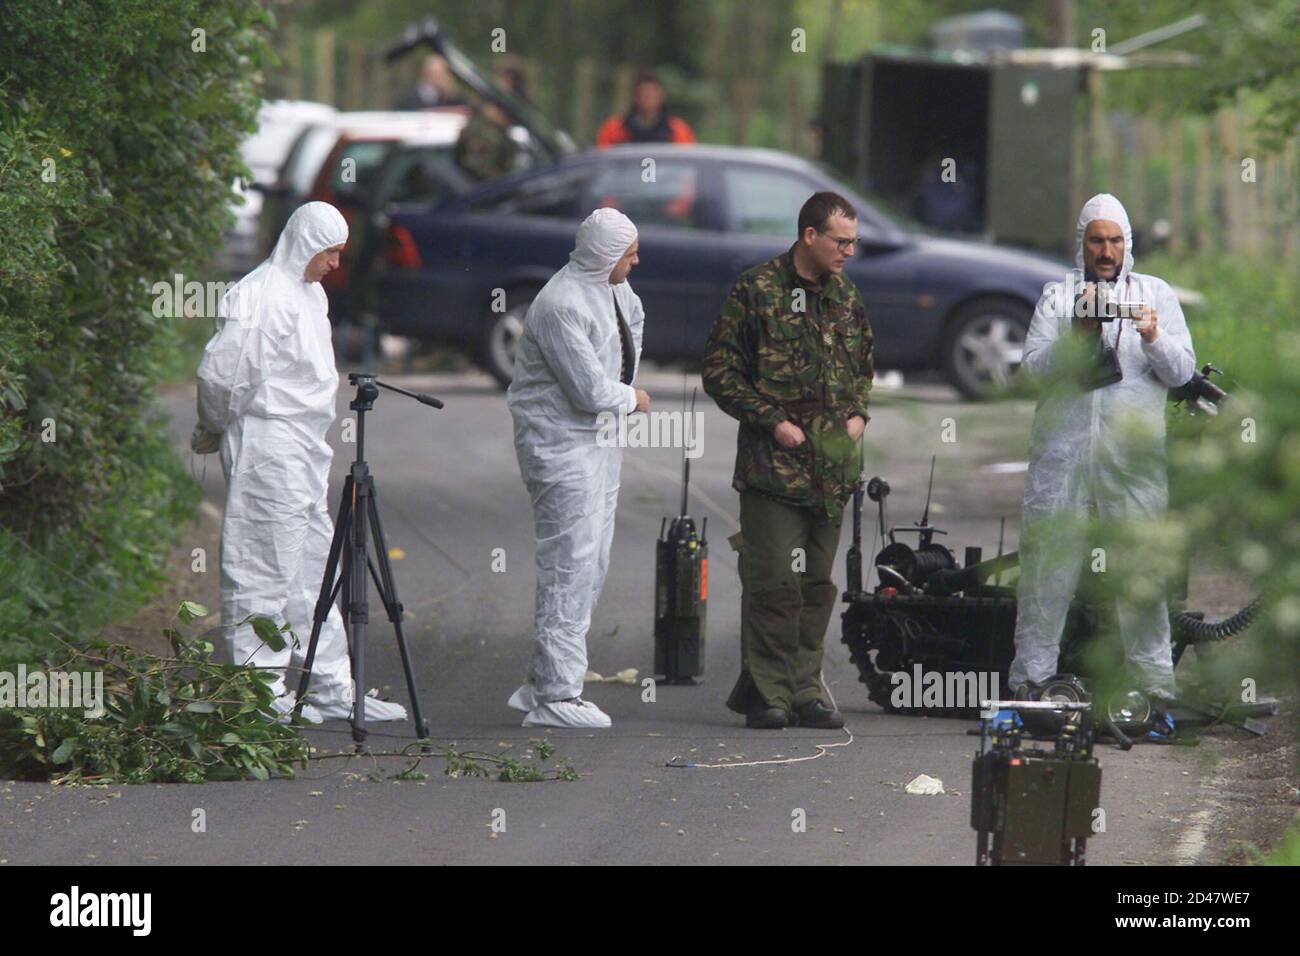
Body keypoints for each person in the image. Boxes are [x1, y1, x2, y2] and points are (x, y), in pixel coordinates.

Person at [192, 202, 408, 724]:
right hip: (269, 447)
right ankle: (258, 688)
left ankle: (331, 683)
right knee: (263, 564)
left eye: (339, 252)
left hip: (303, 449)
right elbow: (225, 376)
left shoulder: (307, 295)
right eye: (329, 252)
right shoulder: (263, 296)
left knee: (311, 566)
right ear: (304, 245)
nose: (335, 263)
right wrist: (214, 425)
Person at [1010, 193, 1195, 709]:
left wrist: (1153, 334)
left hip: (1130, 464)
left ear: (1128, 244)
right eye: (1097, 239)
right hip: (1062, 460)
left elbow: (1181, 372)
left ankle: (1155, 691)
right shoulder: (1058, 296)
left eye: (1115, 240)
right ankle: (1031, 682)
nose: (1106, 250)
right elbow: (1032, 371)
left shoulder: (1156, 295)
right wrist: (1079, 332)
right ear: (1082, 244)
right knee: (1047, 568)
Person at [703, 192, 874, 730]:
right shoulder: (757, 290)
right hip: (773, 468)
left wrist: (859, 417)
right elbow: (720, 371)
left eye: (853, 241)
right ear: (809, 237)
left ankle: (804, 689)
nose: (849, 251)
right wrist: (770, 420)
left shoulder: (846, 297)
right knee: (774, 583)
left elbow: (864, 365)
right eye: (840, 241)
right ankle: (770, 694)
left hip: (831, 473)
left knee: (815, 588)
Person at [505, 209, 649, 729]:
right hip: (561, 445)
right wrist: (632, 398)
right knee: (570, 563)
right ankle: (558, 695)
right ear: (603, 256)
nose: (636, 260)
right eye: (628, 252)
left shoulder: (611, 289)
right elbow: (589, 390)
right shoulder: (562, 304)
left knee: (593, 562)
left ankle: (544, 680)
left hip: (596, 443)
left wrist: (622, 398)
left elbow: (628, 332)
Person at [595, 70, 695, 148]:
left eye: (652, 94)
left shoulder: (678, 131)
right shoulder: (613, 130)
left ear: (661, 96)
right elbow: (603, 165)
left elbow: (687, 167)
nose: (648, 99)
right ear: (635, 96)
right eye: (644, 94)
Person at [454, 100, 518, 182]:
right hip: (461, 170)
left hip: (479, 181)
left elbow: (503, 173)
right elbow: (461, 144)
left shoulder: (507, 143)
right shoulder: (477, 124)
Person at [396, 54, 465, 110]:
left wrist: (451, 94)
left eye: (444, 75)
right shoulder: (407, 100)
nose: (442, 79)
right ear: (426, 74)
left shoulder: (452, 100)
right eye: (437, 74)